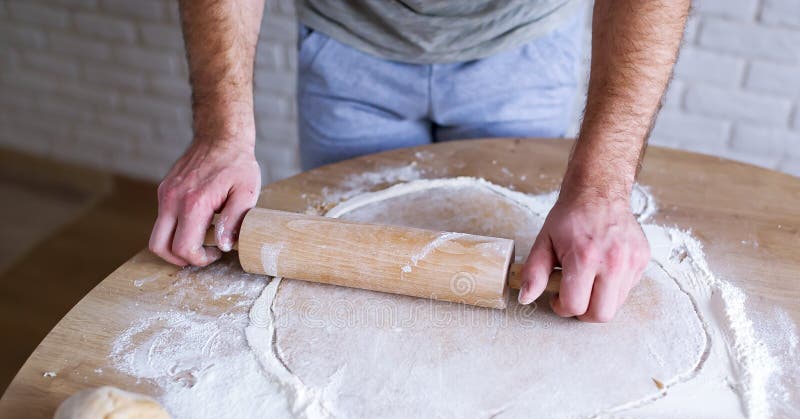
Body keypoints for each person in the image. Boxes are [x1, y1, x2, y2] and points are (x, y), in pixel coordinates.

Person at [149, 0, 689, 322]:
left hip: (521, 46)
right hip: (346, 42)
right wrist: (222, 133)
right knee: (346, 269)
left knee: (540, 272)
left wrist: (601, 189)